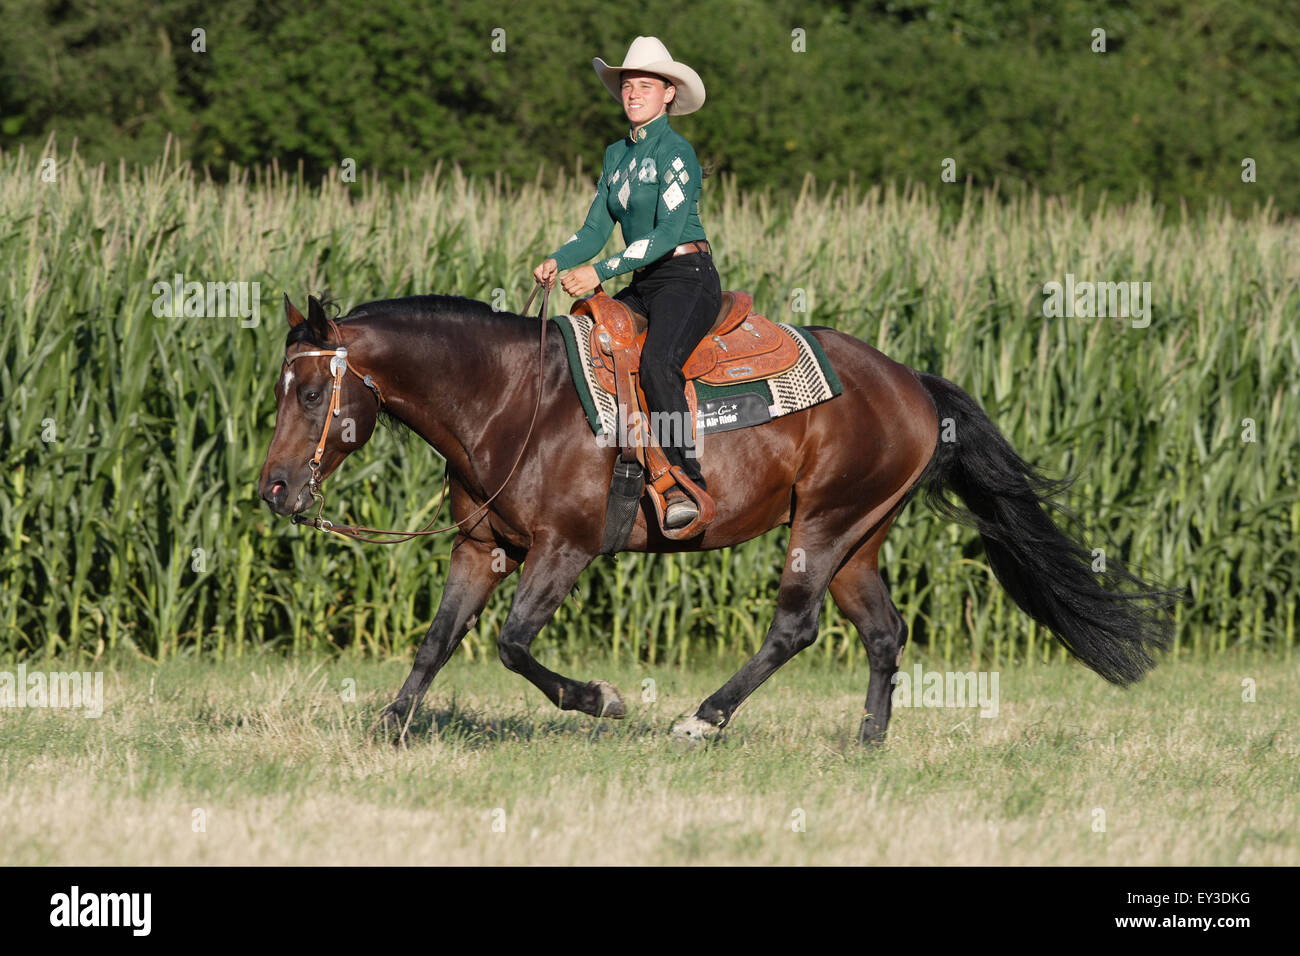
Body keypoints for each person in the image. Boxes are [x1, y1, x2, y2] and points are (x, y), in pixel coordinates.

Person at [533, 36, 720, 530]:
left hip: (687, 276)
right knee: (590, 346)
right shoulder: (616, 153)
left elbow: (667, 233)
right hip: (644, 280)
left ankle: (684, 475)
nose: (633, 93)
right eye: (627, 86)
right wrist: (559, 257)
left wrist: (600, 270)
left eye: (645, 86)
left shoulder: (677, 152)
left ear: (668, 95)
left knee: (659, 363)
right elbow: (595, 228)